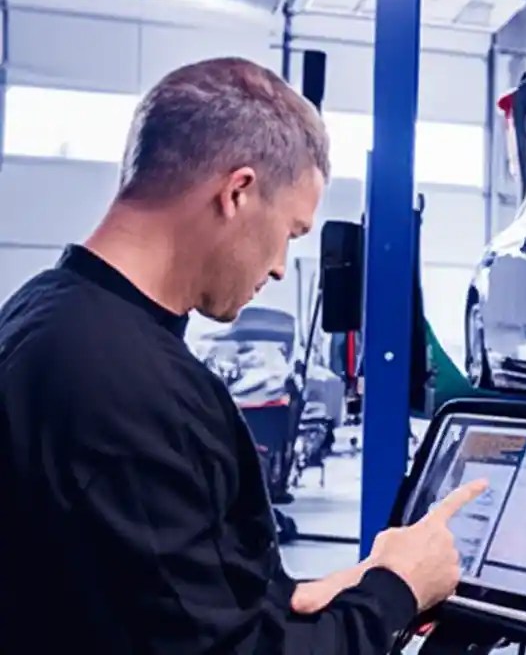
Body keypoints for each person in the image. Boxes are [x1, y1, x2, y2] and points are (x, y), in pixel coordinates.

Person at [0, 57, 486, 653]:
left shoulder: (47, 314)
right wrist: (395, 591)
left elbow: (157, 591)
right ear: (238, 192)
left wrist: (344, 592)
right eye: (291, 232)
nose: (281, 266)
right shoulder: (128, 388)